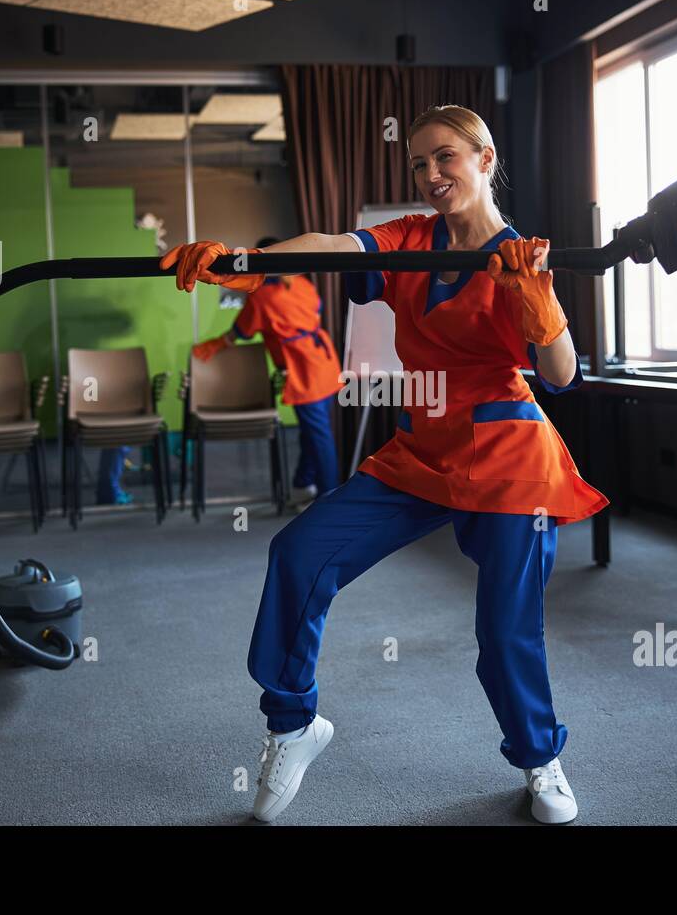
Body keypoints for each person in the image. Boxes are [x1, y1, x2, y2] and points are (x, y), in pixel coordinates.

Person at [162, 105, 607, 825]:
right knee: (300, 553)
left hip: (507, 458)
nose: (431, 174)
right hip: (423, 450)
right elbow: (334, 244)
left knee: (504, 630)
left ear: (485, 159)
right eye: (419, 163)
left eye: (446, 159)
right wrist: (250, 264)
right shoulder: (410, 239)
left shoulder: (519, 255)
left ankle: (539, 758)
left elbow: (560, 373)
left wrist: (537, 296)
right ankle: (293, 723)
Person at [183, 237, 342, 505]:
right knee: (313, 432)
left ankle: (330, 499)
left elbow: (241, 332)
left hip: (303, 369)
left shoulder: (264, 297)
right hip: (325, 361)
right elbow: (316, 313)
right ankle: (304, 483)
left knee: (319, 436)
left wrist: (218, 344)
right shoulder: (304, 285)